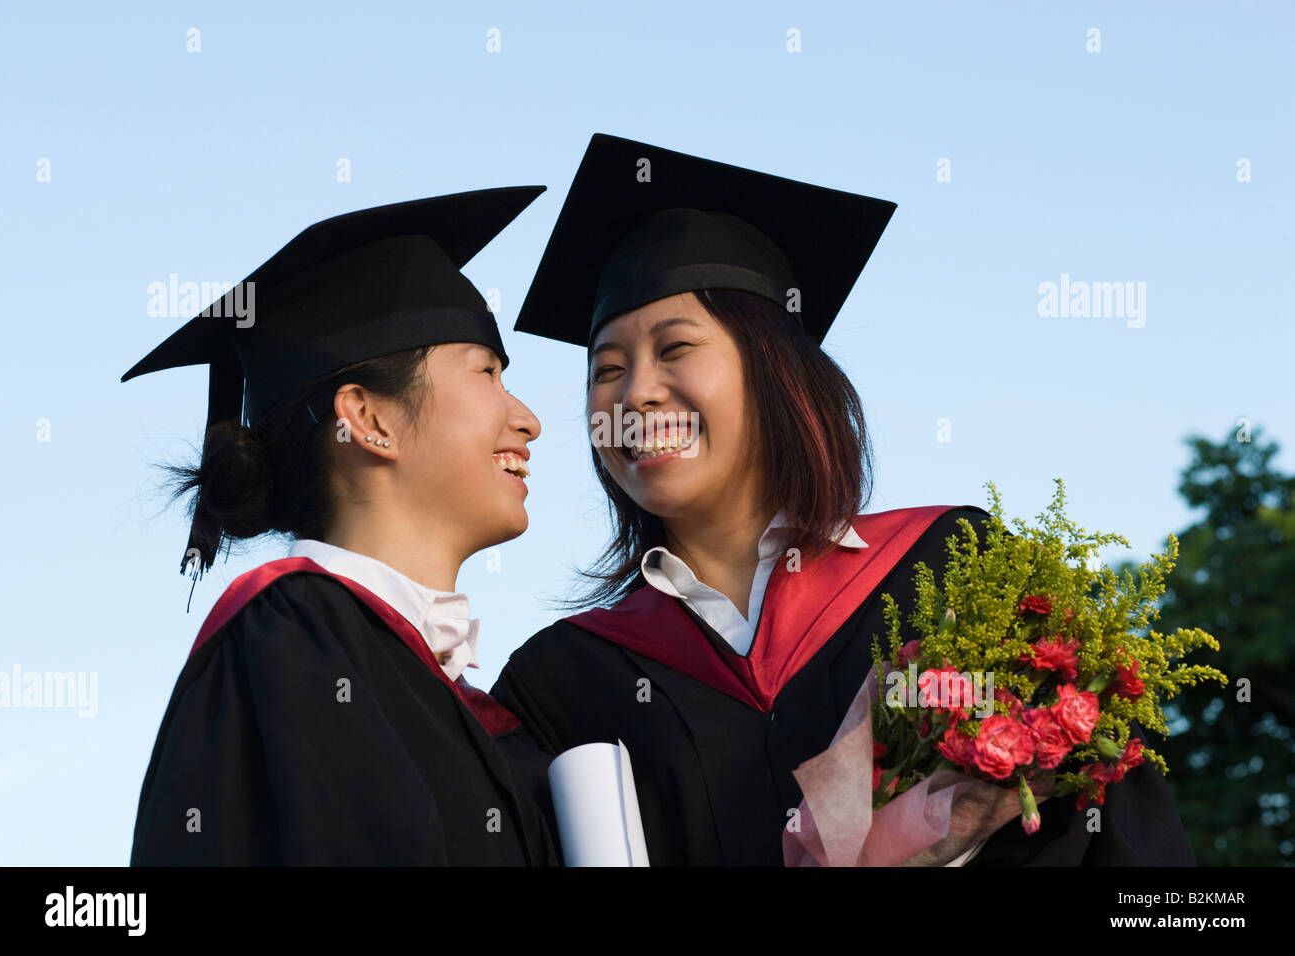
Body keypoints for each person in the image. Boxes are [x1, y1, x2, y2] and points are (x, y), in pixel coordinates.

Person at [490, 134, 1196, 866]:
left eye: (675, 350)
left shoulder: (958, 569)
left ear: (781, 376)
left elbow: (1120, 844)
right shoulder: (558, 684)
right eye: (606, 370)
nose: (635, 393)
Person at [125, 188, 558, 865]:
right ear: (368, 419)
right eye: (488, 374)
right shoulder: (290, 633)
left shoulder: (481, 711)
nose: (528, 418)